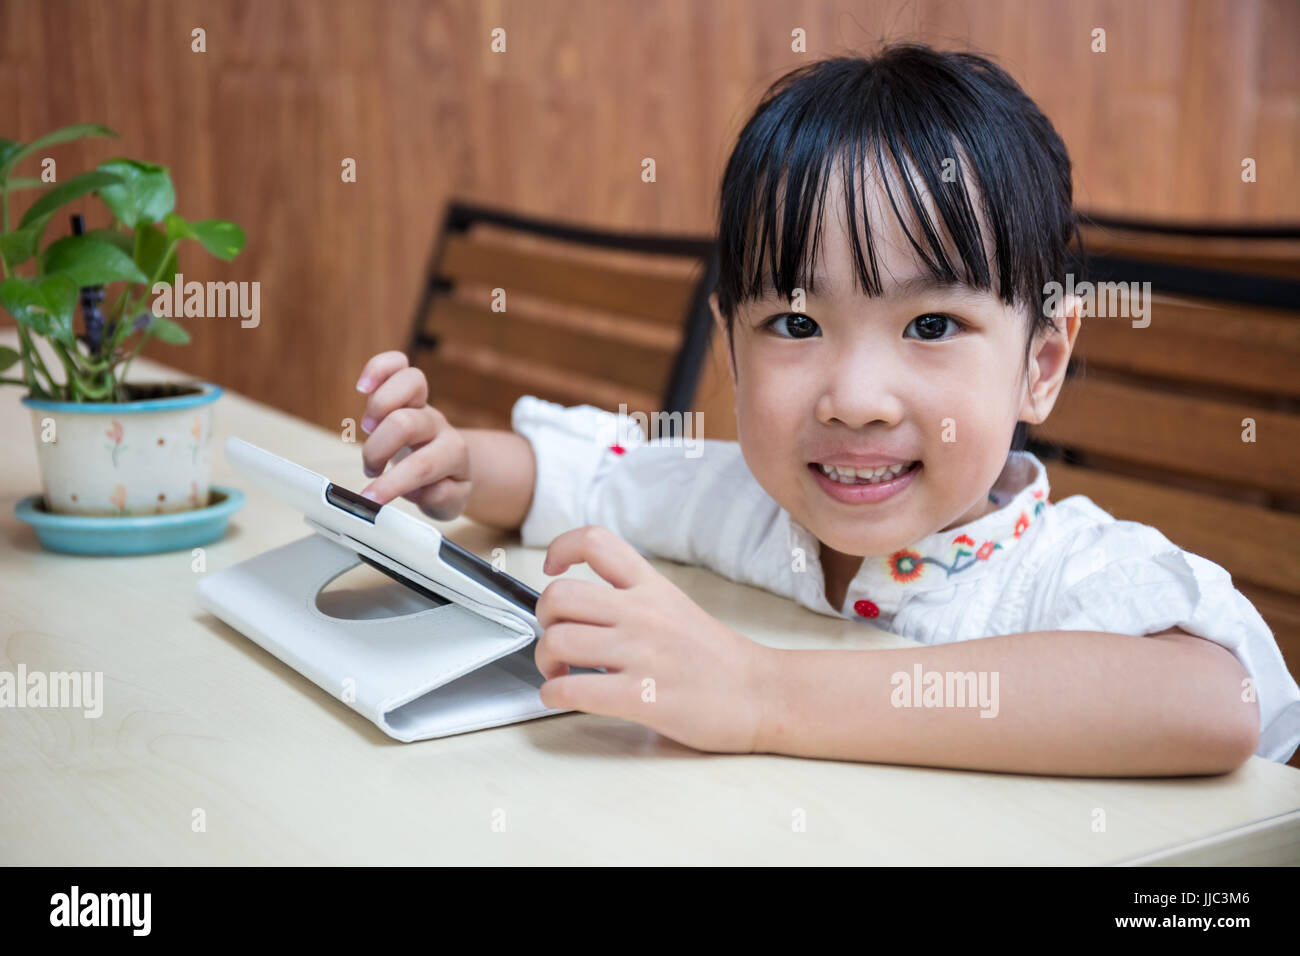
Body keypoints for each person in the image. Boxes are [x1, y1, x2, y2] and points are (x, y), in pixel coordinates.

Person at [351, 44, 1300, 775]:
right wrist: (466, 465)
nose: (853, 400)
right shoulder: (737, 506)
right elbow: (594, 478)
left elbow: (1217, 701)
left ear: (1039, 364)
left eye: (931, 322)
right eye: (796, 324)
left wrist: (761, 695)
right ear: (729, 346)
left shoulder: (1060, 572)